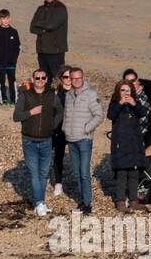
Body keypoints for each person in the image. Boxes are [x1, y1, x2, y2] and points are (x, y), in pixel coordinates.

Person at [15, 68, 61, 216]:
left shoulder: (51, 96)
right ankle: (39, 202)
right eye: (37, 78)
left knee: (44, 173)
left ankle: (39, 202)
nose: (40, 80)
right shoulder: (25, 95)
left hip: (47, 139)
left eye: (43, 78)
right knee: (34, 173)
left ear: (46, 80)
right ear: (33, 79)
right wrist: (31, 112)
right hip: (29, 140)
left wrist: (52, 125)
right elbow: (16, 116)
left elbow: (60, 112)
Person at [59, 66, 101, 215]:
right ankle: (82, 201)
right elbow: (66, 114)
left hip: (84, 139)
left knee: (84, 172)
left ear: (82, 78)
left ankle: (88, 203)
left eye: (79, 78)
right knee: (76, 173)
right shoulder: (69, 94)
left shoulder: (90, 94)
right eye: (73, 78)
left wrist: (86, 128)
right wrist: (65, 128)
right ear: (70, 79)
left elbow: (98, 115)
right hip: (71, 139)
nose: (76, 81)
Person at [107, 81, 147, 212]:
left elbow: (143, 113)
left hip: (134, 143)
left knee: (134, 173)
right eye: (122, 90)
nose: (125, 93)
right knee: (121, 174)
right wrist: (120, 103)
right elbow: (110, 115)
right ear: (118, 91)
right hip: (120, 144)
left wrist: (134, 104)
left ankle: (134, 200)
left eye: (128, 90)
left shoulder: (135, 103)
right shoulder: (114, 103)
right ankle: (120, 201)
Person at [29, 0, 68, 83]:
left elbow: (52, 25)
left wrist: (40, 25)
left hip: (56, 51)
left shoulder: (60, 8)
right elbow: (32, 27)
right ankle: (47, 98)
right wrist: (44, 29)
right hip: (42, 51)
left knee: (59, 80)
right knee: (44, 79)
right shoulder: (40, 9)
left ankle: (60, 98)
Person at [0, 10, 21, 106]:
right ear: (0, 19)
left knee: (12, 82)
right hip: (0, 64)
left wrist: (14, 59)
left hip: (11, 64)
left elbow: (18, 46)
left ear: (9, 18)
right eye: (3, 19)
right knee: (1, 82)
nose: (5, 20)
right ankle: (4, 100)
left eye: (7, 18)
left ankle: (14, 99)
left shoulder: (14, 32)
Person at [49, 67, 72, 197]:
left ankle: (64, 182)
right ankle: (57, 183)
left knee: (72, 156)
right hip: (57, 128)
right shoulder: (56, 91)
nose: (68, 80)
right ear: (61, 78)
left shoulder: (78, 90)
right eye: (65, 77)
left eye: (70, 77)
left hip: (73, 128)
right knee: (57, 155)